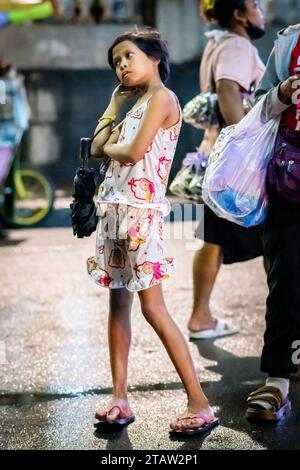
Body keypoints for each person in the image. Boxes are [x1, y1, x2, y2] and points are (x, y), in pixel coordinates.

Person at [87, 29, 219, 435]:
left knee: (153, 309)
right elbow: (95, 148)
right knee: (118, 306)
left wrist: (109, 140)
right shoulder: (131, 103)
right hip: (114, 214)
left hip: (141, 216)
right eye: (116, 62)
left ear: (155, 57)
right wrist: (113, 102)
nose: (122, 65)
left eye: (128, 55)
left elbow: (126, 151)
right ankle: (119, 398)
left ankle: (200, 403)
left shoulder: (162, 99)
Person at [188, 0, 267, 340]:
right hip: (238, 163)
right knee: (279, 241)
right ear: (239, 15)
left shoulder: (217, 42)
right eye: (254, 4)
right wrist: (244, 145)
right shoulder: (237, 44)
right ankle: (287, 331)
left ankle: (201, 316)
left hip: (217, 156)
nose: (259, 10)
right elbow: (227, 89)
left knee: (213, 238)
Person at [245, 22, 300, 421]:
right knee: (286, 273)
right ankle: (278, 378)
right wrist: (279, 95)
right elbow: (258, 105)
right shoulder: (289, 41)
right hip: (290, 173)